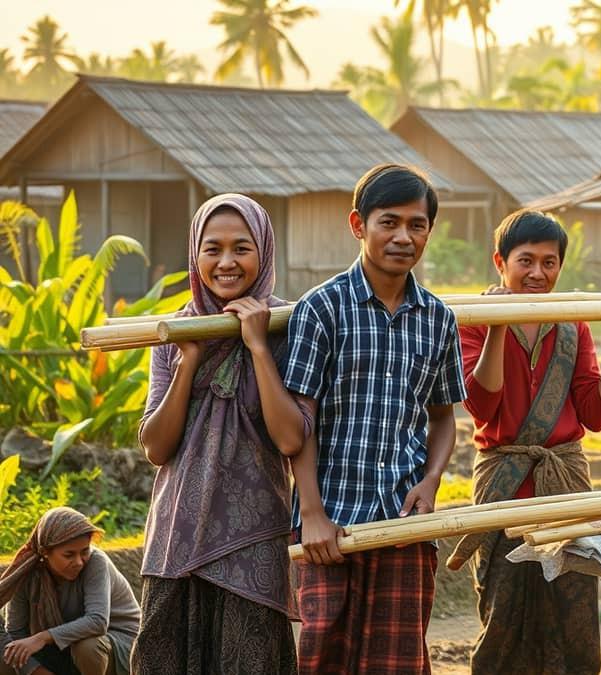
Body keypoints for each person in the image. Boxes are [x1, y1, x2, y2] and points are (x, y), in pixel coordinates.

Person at [285, 164, 466, 674]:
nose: (403, 237)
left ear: (429, 231)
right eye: (389, 222)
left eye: (416, 225)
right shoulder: (321, 309)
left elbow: (443, 418)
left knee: (397, 661)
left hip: (405, 523)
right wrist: (311, 514)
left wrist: (431, 481)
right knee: (322, 656)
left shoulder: (438, 319)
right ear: (358, 225)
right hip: (330, 525)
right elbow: (300, 425)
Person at [449, 210, 601, 674]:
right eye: (526, 261)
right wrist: (498, 325)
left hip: (565, 486)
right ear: (500, 262)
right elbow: (483, 405)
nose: (538, 273)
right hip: (503, 487)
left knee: (572, 615)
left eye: (549, 262)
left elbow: (594, 413)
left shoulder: (572, 324)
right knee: (503, 614)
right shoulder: (473, 320)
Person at [132, 194, 305, 674]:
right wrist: (187, 361)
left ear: (263, 251)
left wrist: (258, 347)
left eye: (241, 248)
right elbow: (156, 447)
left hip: (253, 537)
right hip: (176, 535)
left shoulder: (289, 326)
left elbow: (291, 440)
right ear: (196, 254)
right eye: (212, 249)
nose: (226, 262)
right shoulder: (176, 331)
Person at [0, 508, 140, 675]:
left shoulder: (96, 563)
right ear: (45, 552)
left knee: (87, 647)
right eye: (69, 555)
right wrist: (37, 671)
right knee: (9, 653)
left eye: (84, 551)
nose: (79, 562)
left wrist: (42, 637)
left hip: (117, 644)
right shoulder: (26, 572)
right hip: (63, 646)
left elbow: (97, 621)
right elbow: (16, 632)